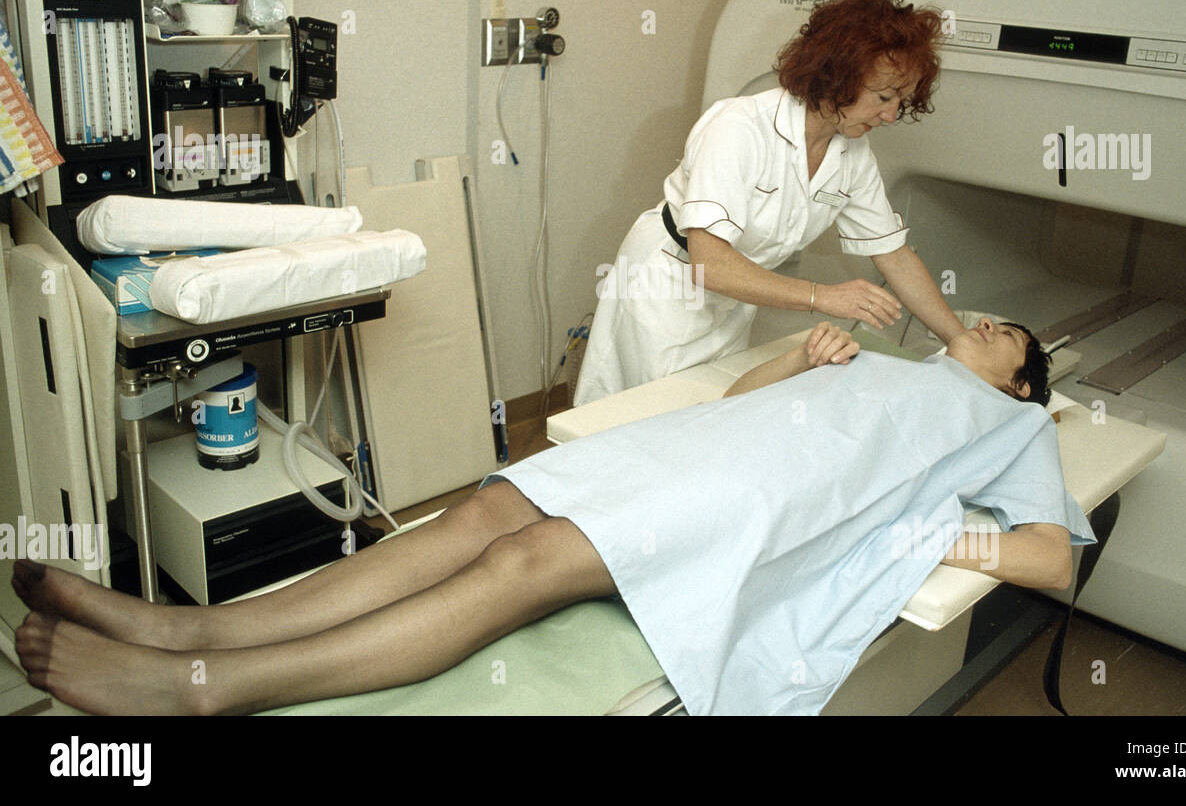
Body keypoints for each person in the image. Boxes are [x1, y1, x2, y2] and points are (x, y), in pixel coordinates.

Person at [13, 318, 1093, 716]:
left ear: (1017, 383)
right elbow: (738, 406)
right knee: (467, 519)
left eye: (1003, 333)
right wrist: (795, 359)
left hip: (765, 500)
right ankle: (185, 627)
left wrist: (905, 537)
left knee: (524, 559)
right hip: (707, 450)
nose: (982, 324)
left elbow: (1050, 560)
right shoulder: (887, 364)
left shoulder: (1007, 427)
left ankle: (206, 687)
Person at [574, 0, 969, 406]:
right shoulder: (740, 127)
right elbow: (709, 266)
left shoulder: (851, 152)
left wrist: (961, 343)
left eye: (901, 102)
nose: (891, 116)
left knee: (717, 413)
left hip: (733, 300)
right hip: (666, 290)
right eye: (884, 97)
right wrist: (823, 297)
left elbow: (895, 255)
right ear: (840, 74)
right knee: (642, 422)